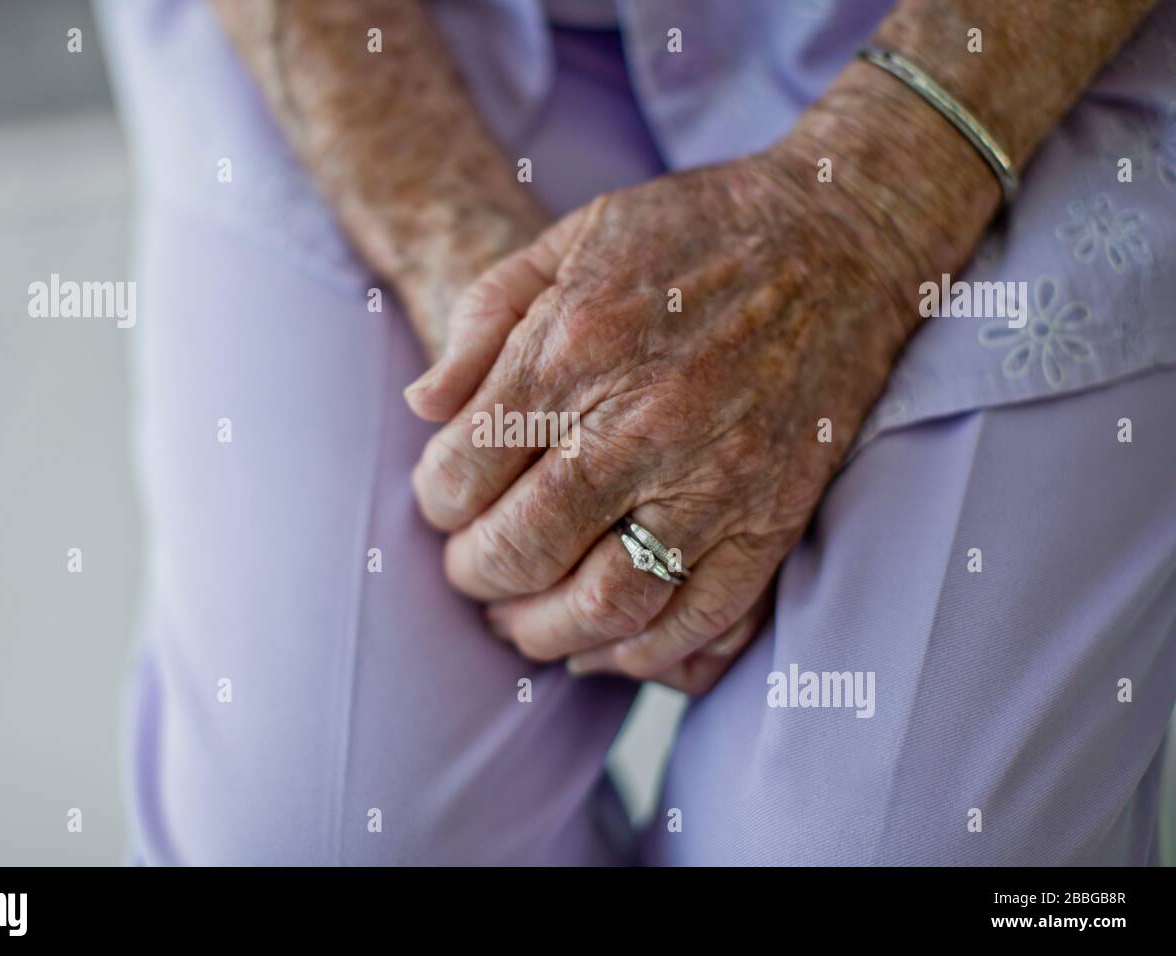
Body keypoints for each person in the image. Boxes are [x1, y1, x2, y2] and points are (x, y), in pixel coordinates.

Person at [96, 0, 1176, 864]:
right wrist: (486, 291)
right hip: (400, 40)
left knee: (895, 844)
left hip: (1005, 58)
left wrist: (866, 214)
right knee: (309, 839)